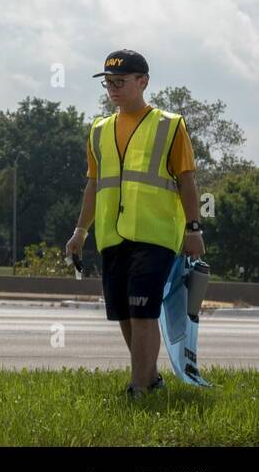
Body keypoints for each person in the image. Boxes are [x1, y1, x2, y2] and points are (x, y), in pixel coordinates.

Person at [65, 50, 204, 398]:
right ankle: (151, 377)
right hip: (111, 236)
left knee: (143, 311)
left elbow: (187, 181)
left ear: (143, 82)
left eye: (120, 82)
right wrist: (80, 231)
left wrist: (194, 229)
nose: (113, 88)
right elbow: (94, 185)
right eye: (108, 83)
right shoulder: (99, 129)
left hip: (155, 235)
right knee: (125, 314)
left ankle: (138, 386)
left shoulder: (169, 125)